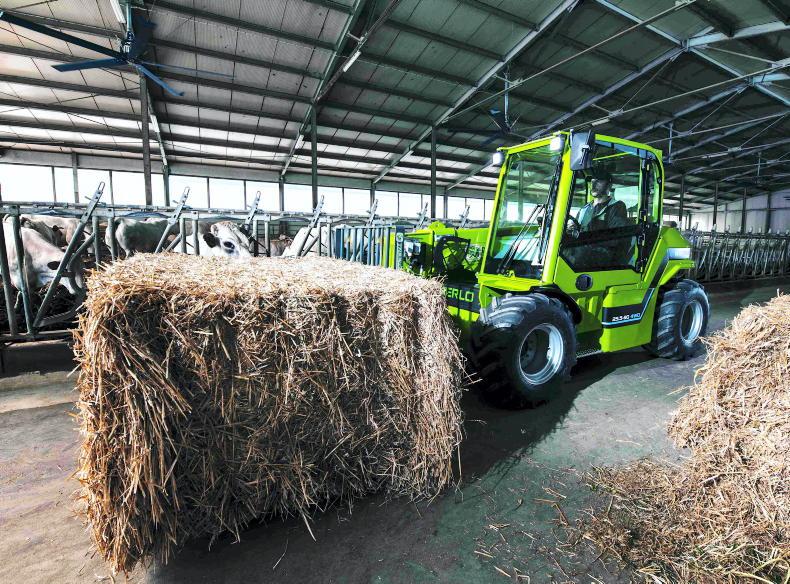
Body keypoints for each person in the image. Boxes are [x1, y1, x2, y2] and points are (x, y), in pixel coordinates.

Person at [565, 172, 632, 268]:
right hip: (584, 249)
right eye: (592, 181)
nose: (594, 184)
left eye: (599, 181)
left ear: (609, 186)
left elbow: (616, 238)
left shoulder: (617, 207)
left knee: (578, 253)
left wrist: (582, 234)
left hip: (605, 254)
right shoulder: (585, 209)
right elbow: (576, 227)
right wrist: (570, 229)